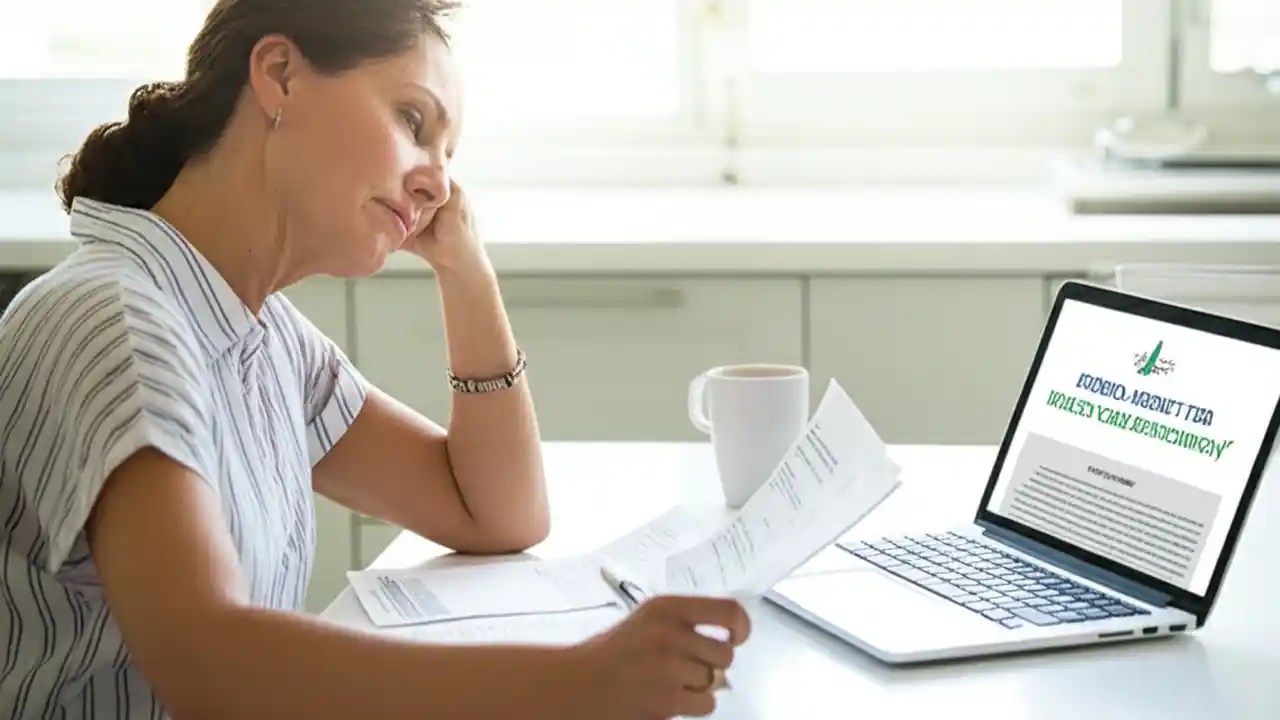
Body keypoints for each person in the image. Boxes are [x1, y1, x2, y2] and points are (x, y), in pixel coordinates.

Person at [0, 1, 750, 717]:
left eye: (447, 156)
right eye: (412, 120)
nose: (439, 181)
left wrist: (466, 269)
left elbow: (496, 512)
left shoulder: (262, 342)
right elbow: (210, 666)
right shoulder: (117, 321)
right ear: (280, 75)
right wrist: (577, 683)